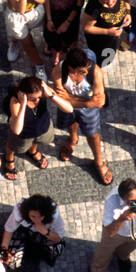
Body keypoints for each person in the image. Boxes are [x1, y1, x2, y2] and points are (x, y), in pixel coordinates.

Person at [51, 46, 110, 184]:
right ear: (70, 68)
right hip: (70, 108)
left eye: (86, 67)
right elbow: (59, 98)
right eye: (81, 70)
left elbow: (99, 102)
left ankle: (99, 161)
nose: (85, 71)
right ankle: (73, 140)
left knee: (93, 134)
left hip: (86, 110)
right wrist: (87, 102)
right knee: (70, 124)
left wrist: (70, 99)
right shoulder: (58, 71)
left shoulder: (95, 72)